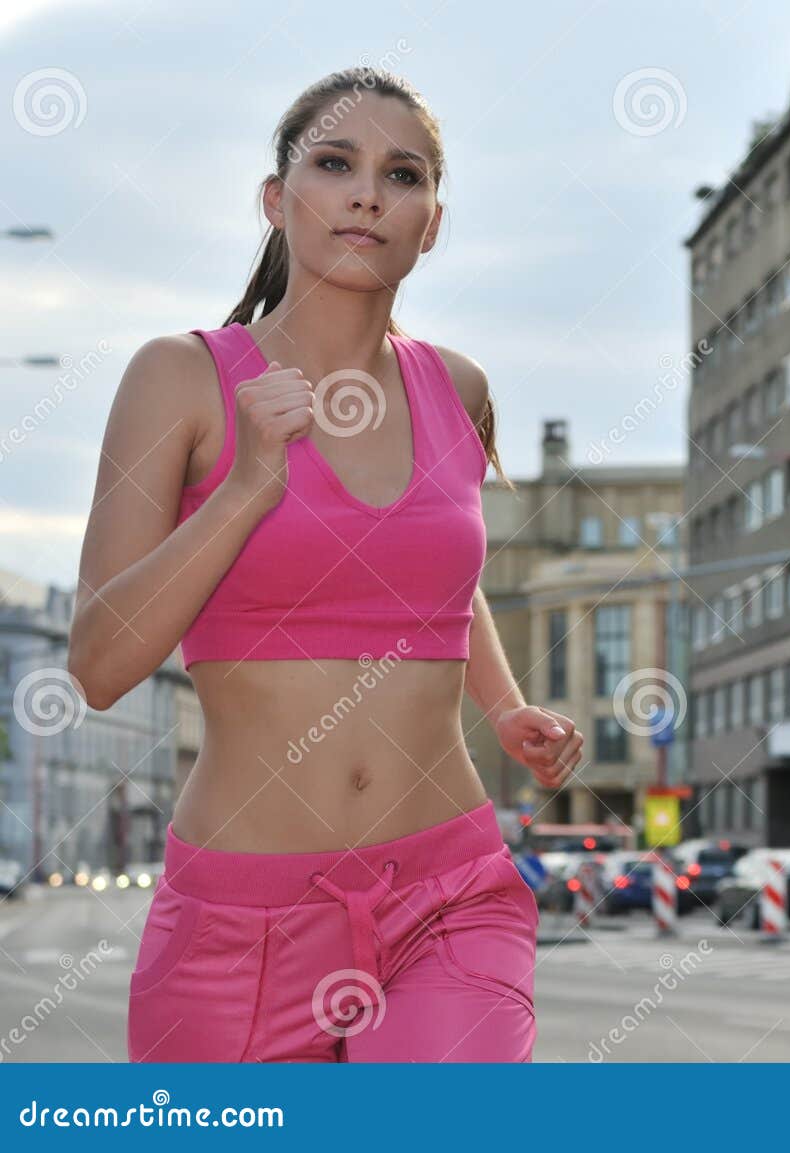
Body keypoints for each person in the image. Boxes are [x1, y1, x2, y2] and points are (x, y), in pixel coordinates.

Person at [68, 68, 584, 1063]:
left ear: (432, 224)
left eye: (403, 175)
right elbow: (97, 666)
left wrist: (507, 703)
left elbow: (437, 572)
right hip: (241, 921)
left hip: (448, 892)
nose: (367, 195)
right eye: (336, 164)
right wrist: (246, 489)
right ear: (277, 199)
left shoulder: (460, 387)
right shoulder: (179, 377)